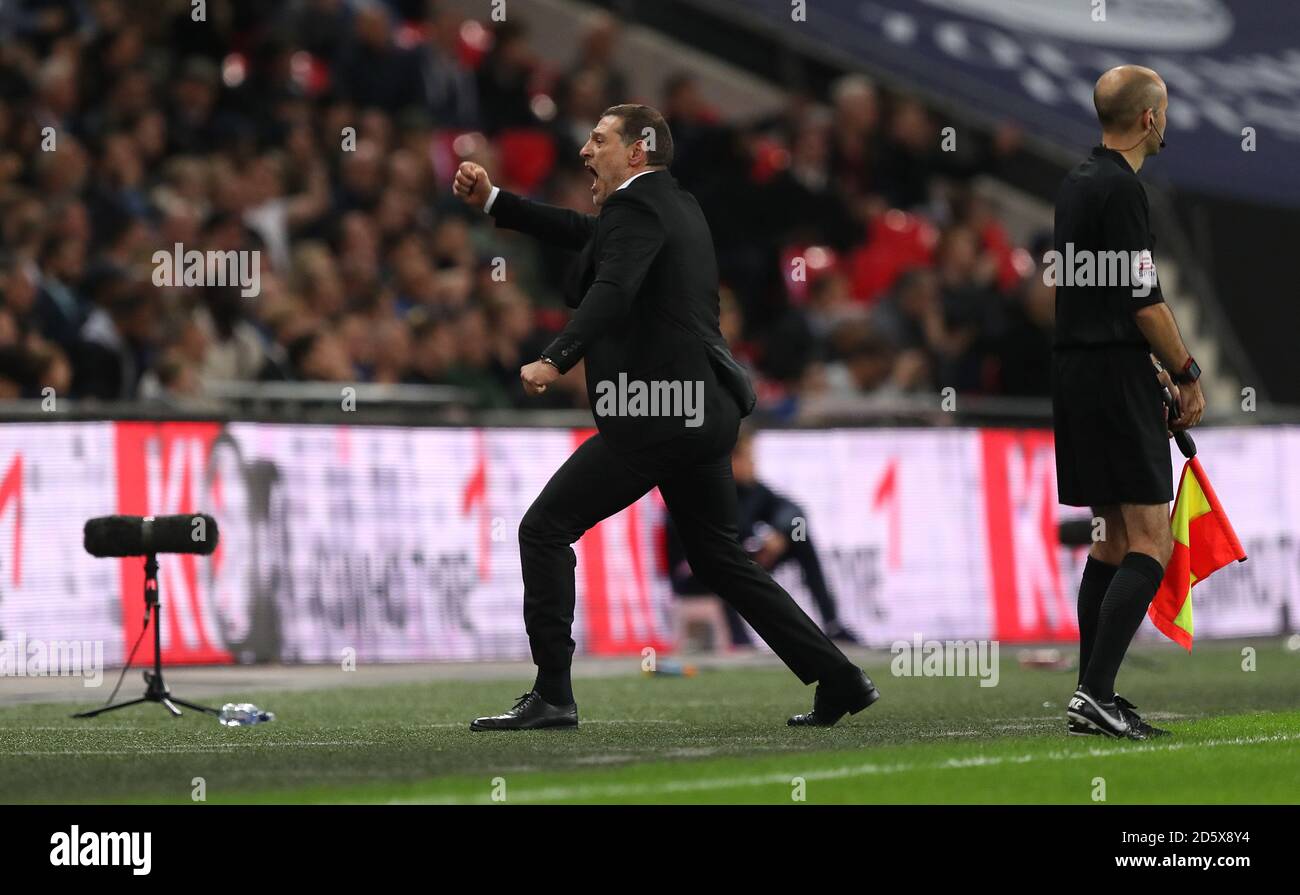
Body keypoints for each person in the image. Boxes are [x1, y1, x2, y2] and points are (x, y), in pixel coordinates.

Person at [453, 104, 878, 730]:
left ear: (636, 153)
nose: (583, 152)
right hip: (706, 413)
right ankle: (840, 677)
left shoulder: (636, 209)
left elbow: (614, 287)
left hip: (655, 413)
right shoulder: (674, 203)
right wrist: (496, 201)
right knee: (719, 557)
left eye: (598, 140)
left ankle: (552, 694)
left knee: (543, 530)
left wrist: (555, 357)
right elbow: (583, 232)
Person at [1053, 66, 1205, 740]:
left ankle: (1095, 692)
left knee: (1112, 540)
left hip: (1080, 373)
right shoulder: (1123, 191)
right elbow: (1144, 299)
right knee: (1151, 539)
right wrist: (1187, 370)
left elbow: (1098, 292)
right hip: (1115, 379)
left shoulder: (1077, 183)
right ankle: (1094, 691)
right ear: (1150, 119)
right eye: (1164, 112)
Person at [666, 424, 860, 646]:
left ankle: (831, 622)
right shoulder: (701, 490)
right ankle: (739, 639)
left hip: (739, 561)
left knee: (799, 537)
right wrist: (752, 546)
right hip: (696, 573)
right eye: (749, 459)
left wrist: (778, 532)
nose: (754, 466)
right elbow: (705, 541)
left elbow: (795, 512)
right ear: (732, 460)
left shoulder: (753, 491)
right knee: (723, 562)